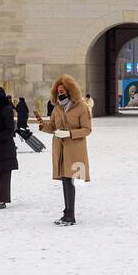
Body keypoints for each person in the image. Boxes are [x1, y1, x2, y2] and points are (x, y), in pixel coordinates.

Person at [32, 74, 93, 226]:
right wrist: (42, 124)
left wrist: (69, 133)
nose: (60, 92)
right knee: (64, 180)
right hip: (60, 149)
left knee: (69, 180)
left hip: (74, 149)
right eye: (58, 90)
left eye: (63, 90)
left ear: (70, 90)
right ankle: (67, 213)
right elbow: (52, 127)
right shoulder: (57, 108)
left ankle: (70, 215)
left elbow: (87, 129)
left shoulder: (81, 107)